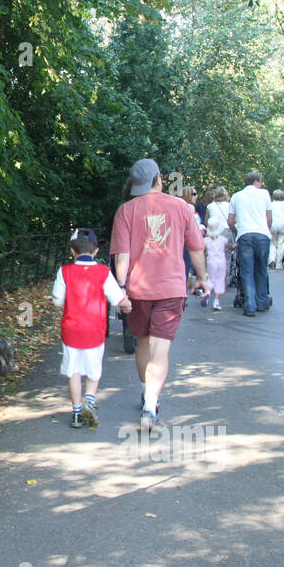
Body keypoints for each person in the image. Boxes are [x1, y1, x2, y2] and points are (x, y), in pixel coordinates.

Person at [110, 159, 208, 432]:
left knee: (143, 342)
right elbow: (196, 248)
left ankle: (146, 393)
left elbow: (123, 255)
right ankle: (150, 406)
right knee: (160, 348)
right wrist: (202, 278)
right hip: (170, 288)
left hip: (137, 289)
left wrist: (121, 287)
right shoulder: (183, 208)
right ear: (160, 180)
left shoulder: (125, 211)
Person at [52, 232, 131, 429]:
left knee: (74, 372)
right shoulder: (103, 272)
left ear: (72, 250)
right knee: (93, 370)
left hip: (71, 330)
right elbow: (118, 299)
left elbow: (57, 301)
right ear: (95, 251)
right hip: (94, 331)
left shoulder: (64, 272)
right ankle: (90, 401)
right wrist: (128, 304)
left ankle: (77, 413)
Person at [229, 171, 273, 317]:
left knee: (246, 272)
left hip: (245, 235)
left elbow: (230, 221)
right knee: (261, 270)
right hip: (262, 235)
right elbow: (269, 218)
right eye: (260, 182)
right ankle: (262, 301)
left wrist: (237, 232)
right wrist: (266, 230)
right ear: (256, 181)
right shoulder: (265, 194)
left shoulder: (236, 196)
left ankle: (249, 305)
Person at [267, 190, 284, 269]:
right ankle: (279, 264)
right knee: (281, 244)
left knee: (272, 243)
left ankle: (271, 259)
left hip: (272, 224)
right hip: (283, 224)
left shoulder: (270, 205)